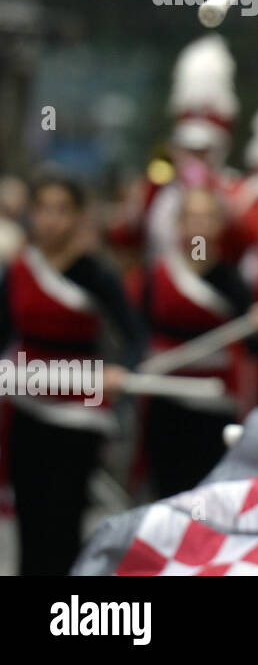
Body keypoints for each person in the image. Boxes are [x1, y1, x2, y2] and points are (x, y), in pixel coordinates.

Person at [0, 172, 146, 575]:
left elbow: (135, 338)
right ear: (31, 214)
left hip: (80, 414)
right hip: (26, 407)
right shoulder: (17, 271)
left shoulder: (97, 274)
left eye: (62, 210)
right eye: (43, 209)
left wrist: (121, 373)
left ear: (79, 217)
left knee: (63, 521)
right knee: (27, 518)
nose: (51, 220)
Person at [139, 184, 256, 498]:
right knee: (166, 493)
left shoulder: (234, 283)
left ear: (219, 225)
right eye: (191, 217)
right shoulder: (159, 274)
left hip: (213, 404)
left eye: (207, 217)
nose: (199, 225)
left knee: (206, 495)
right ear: (179, 223)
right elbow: (139, 331)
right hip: (164, 399)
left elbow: (256, 346)